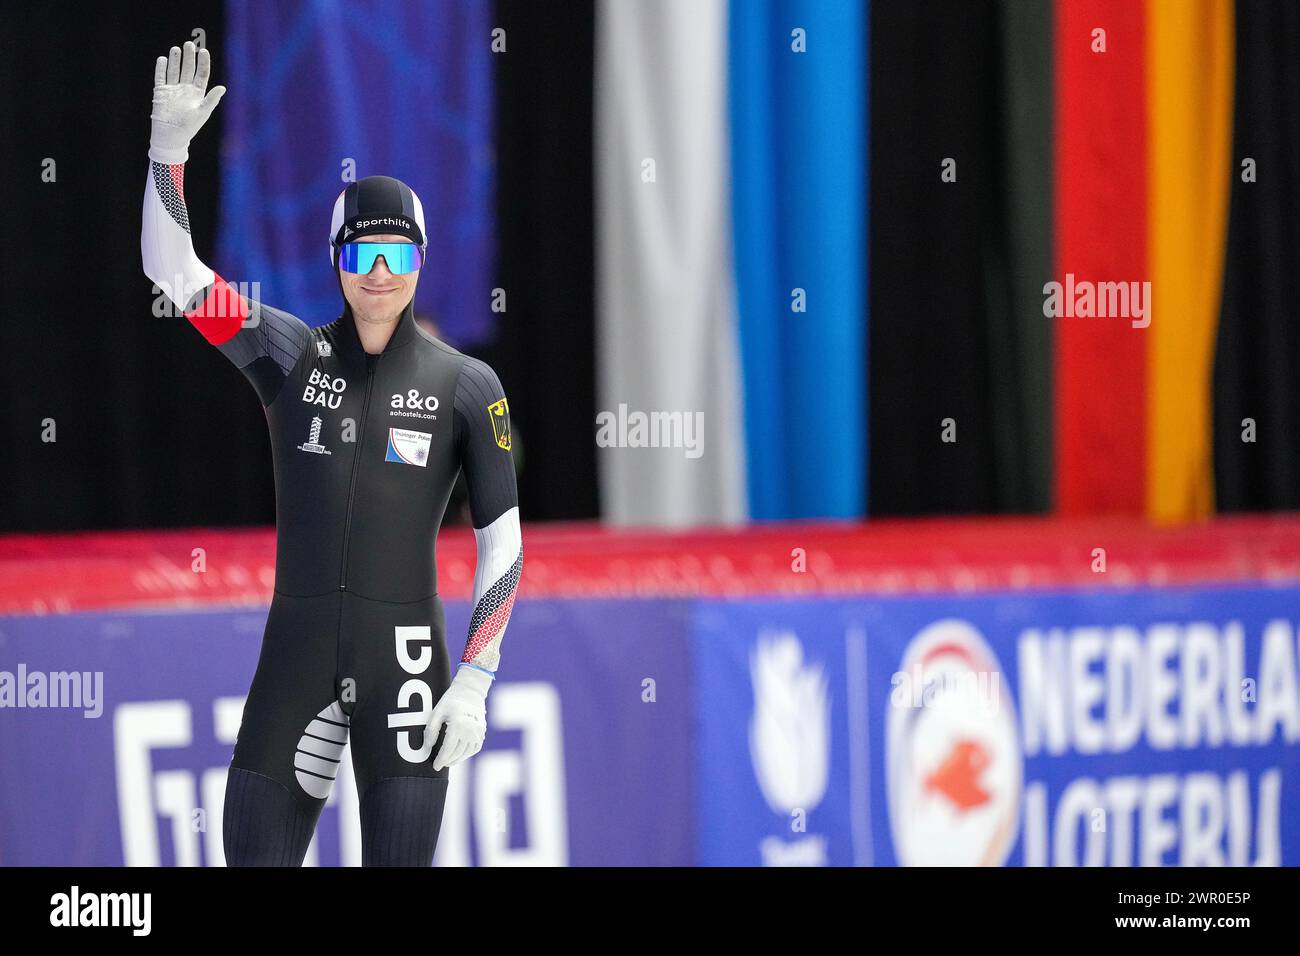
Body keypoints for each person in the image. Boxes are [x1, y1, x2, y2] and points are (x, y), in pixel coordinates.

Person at [141, 40, 522, 866]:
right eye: (361, 254)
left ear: (421, 261)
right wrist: (168, 152)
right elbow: (171, 272)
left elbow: (504, 542)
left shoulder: (468, 385)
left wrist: (478, 676)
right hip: (297, 657)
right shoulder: (287, 355)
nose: (378, 274)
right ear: (336, 263)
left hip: (409, 668)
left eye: (396, 254)